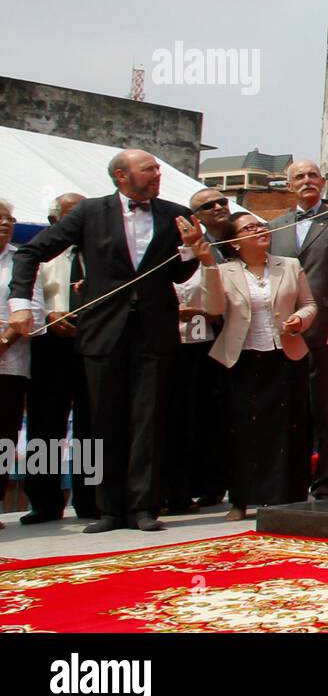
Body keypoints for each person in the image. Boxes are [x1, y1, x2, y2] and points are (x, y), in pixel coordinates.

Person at [6, 150, 204, 533]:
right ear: (121, 176)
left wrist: (191, 248)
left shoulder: (175, 212)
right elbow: (31, 252)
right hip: (103, 331)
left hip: (154, 331)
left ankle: (144, 507)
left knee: (148, 421)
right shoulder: (88, 213)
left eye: (158, 169)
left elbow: (180, 274)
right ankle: (109, 509)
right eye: (148, 169)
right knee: (102, 421)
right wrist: (19, 304)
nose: (157, 174)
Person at [189, 212, 316, 521]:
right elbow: (214, 309)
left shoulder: (289, 265)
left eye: (261, 225)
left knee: (286, 430)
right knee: (242, 432)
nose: (260, 230)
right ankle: (241, 500)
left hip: (285, 357)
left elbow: (309, 304)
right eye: (250, 227)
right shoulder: (222, 270)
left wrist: (300, 320)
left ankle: (285, 496)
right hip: (241, 360)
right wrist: (207, 265)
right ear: (235, 241)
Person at [269, 161, 328, 500]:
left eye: (312, 176)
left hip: (326, 331)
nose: (306, 181)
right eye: (299, 177)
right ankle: (289, 480)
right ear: (288, 184)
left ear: (322, 182)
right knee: (290, 410)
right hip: (286, 332)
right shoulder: (274, 227)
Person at [20, 192, 97, 524]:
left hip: (93, 344)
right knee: (45, 425)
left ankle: (90, 499)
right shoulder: (39, 254)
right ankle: (44, 501)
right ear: (56, 221)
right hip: (50, 346)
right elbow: (24, 296)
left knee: (91, 426)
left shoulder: (102, 254)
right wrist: (51, 317)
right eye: (71, 215)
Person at [164, 188, 237, 513]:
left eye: (223, 201)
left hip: (222, 341)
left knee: (215, 418)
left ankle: (213, 484)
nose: (219, 207)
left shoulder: (241, 236)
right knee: (180, 417)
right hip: (180, 345)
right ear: (196, 215)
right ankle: (179, 488)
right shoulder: (183, 246)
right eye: (209, 205)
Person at [0, 199, 46, 527]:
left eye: (10, 219)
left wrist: (4, 341)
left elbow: (36, 313)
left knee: (3, 436)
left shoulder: (23, 261)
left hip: (10, 363)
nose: (6, 223)